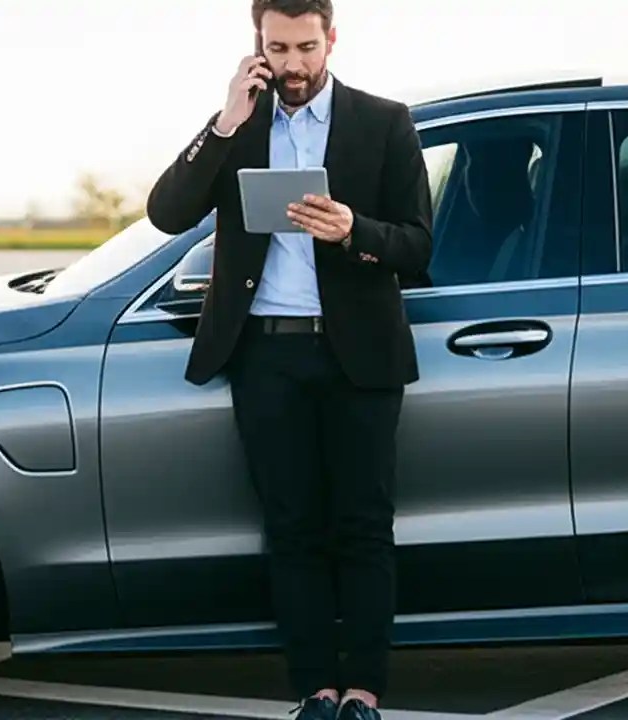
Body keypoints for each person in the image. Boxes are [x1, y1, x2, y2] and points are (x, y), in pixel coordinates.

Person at [144, 1, 433, 718]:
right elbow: (167, 213)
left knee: (364, 525)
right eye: (280, 47)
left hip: (357, 357)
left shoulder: (383, 120)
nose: (295, 64)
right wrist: (224, 123)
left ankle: (364, 692)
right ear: (258, 44)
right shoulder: (239, 124)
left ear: (331, 38)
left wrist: (353, 229)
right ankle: (316, 690)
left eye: (307, 46)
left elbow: (419, 245)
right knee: (291, 527)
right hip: (266, 356)